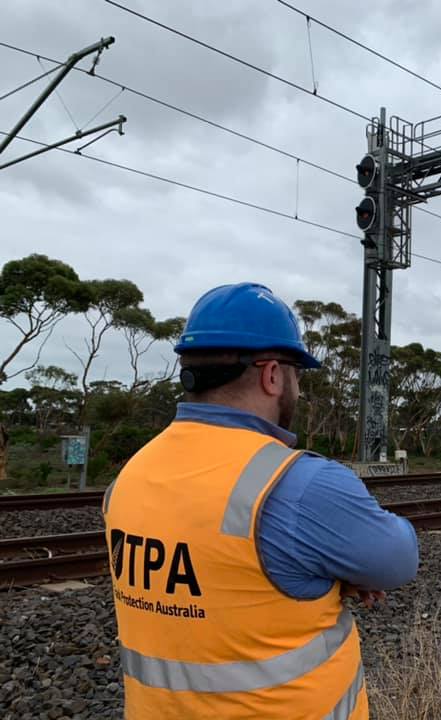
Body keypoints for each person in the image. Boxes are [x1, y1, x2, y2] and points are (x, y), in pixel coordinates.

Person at [102, 283, 418, 720]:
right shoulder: (302, 483)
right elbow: (399, 559)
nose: (298, 389)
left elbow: (228, 573)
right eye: (296, 374)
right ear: (272, 375)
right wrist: (336, 572)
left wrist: (308, 569)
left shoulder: (132, 474)